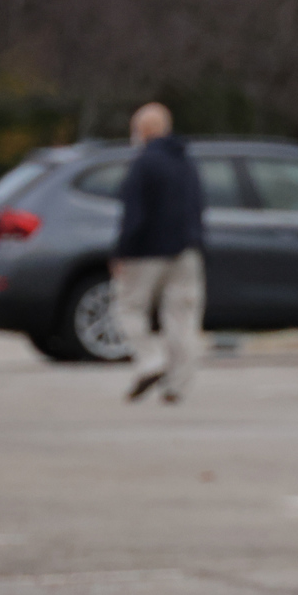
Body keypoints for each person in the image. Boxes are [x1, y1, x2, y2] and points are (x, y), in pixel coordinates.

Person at [113, 103, 205, 402]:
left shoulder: (143, 164)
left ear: (143, 130)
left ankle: (150, 360)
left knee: (128, 307)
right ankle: (178, 384)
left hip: (146, 250)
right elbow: (198, 206)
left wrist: (122, 251)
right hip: (186, 250)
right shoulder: (187, 162)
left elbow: (134, 214)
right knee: (181, 317)